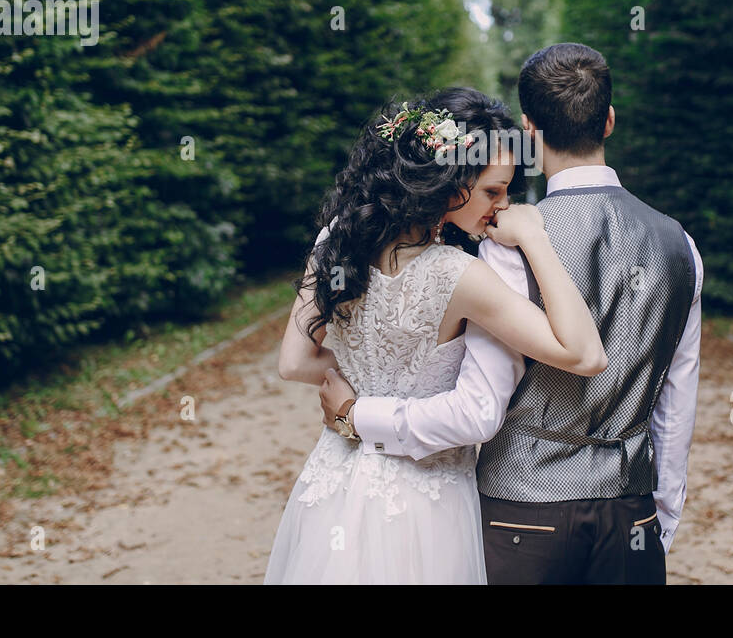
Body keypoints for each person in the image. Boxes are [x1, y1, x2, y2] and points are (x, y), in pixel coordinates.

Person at [320, 43, 703, 584]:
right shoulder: (680, 246)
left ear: (528, 128)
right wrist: (659, 518)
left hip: (522, 512)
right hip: (630, 509)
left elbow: (481, 405)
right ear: (610, 121)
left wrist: (360, 415)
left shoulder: (504, 242)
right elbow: (675, 401)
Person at [264, 86, 606, 584]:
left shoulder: (340, 234)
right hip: (425, 497)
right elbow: (585, 352)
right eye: (493, 191)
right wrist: (534, 237)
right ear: (451, 185)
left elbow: (294, 362)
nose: (501, 206)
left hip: (337, 478)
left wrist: (361, 393)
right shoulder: (458, 275)